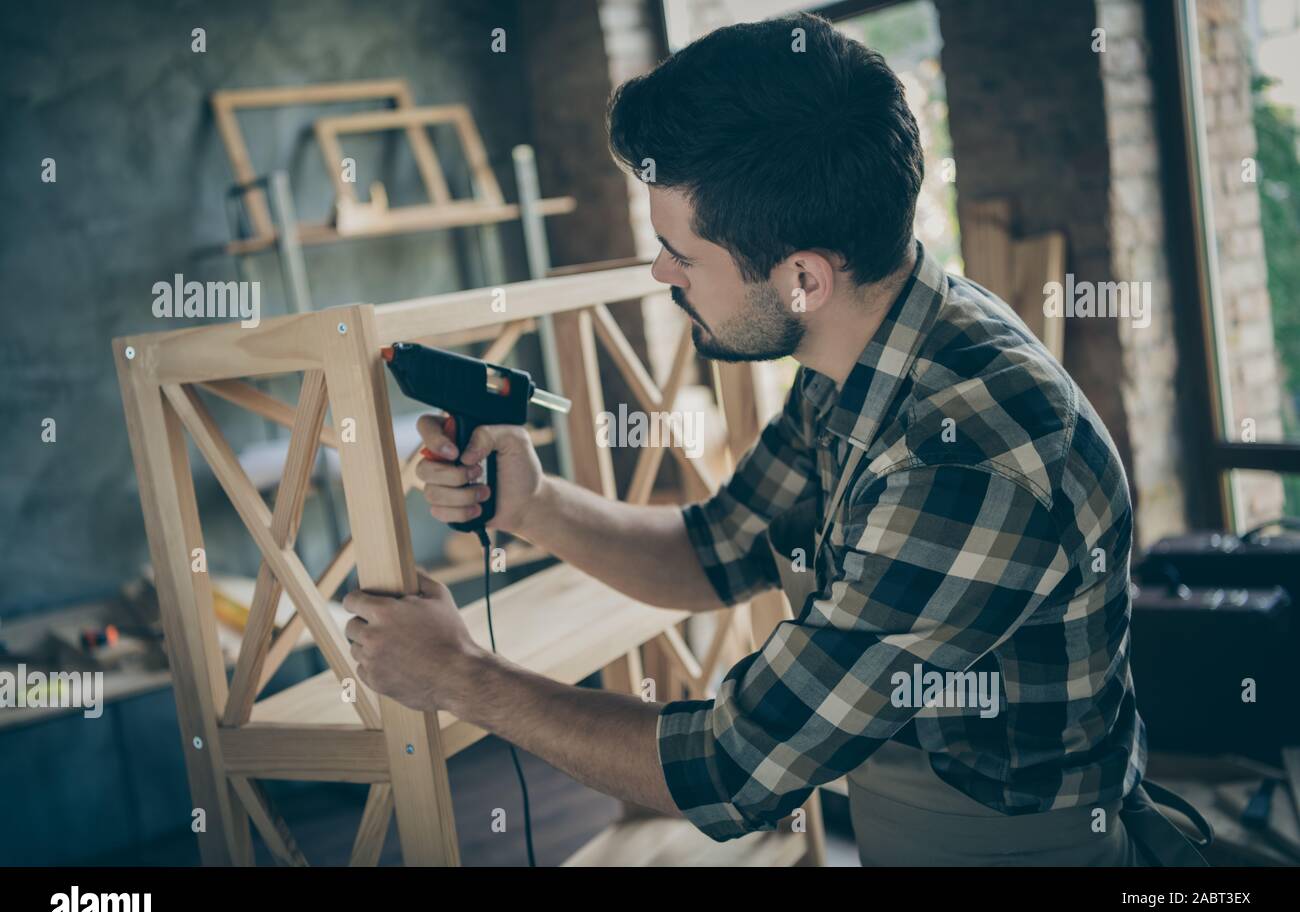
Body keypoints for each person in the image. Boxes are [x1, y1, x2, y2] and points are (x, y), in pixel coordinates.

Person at [341, 13, 1207, 865]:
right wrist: (532, 503)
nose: (660, 273)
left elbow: (733, 767)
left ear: (802, 278)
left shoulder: (968, 456)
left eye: (681, 252)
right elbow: (717, 551)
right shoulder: (872, 348)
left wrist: (462, 678)